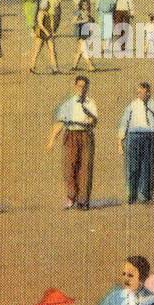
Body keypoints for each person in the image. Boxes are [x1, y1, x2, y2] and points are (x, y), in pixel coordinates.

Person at [47, 75, 98, 209]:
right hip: (71, 135)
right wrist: (52, 140)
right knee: (69, 167)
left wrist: (91, 120)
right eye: (79, 86)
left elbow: (94, 121)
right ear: (75, 87)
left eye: (84, 86)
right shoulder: (68, 104)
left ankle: (83, 201)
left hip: (86, 135)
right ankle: (71, 196)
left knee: (85, 168)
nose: (82, 89)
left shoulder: (91, 103)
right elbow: (59, 123)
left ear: (87, 88)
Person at [117, 81, 154, 204]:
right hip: (133, 137)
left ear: (148, 93)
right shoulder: (132, 106)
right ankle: (131, 194)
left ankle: (145, 194)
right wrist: (120, 143)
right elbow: (124, 123)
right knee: (132, 167)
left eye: (142, 92)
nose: (139, 94)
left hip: (150, 137)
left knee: (148, 167)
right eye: (138, 92)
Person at [30, 0, 62, 74]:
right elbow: (40, 24)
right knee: (38, 50)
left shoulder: (47, 12)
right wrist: (48, 32)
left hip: (46, 32)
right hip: (42, 33)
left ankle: (55, 68)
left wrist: (51, 31)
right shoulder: (41, 13)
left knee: (52, 50)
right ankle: (32, 66)